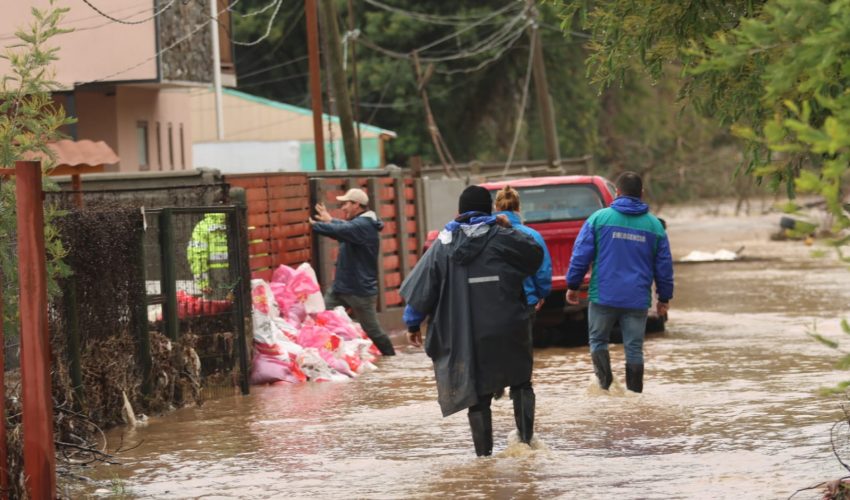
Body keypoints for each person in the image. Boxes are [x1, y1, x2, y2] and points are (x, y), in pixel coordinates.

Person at [400, 185, 543, 457]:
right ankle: (526, 444)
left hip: (466, 331)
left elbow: (422, 288)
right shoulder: (504, 237)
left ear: (459, 212)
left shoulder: (442, 245)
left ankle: (484, 459)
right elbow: (534, 256)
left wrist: (412, 323)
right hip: (510, 327)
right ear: (491, 210)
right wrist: (508, 228)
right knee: (521, 382)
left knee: (477, 393)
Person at [565, 171, 674, 393]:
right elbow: (664, 267)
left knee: (598, 341)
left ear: (617, 192)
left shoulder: (598, 219)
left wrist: (573, 285)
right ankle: (634, 398)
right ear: (641, 194)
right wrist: (664, 298)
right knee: (634, 348)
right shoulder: (655, 226)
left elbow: (580, 255)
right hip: (637, 299)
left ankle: (606, 389)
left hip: (603, 295)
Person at [308, 188, 396, 356]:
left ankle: (391, 358)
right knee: (320, 317)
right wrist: (330, 220)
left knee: (373, 330)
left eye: (346, 204)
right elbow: (345, 227)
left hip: (359, 291)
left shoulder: (363, 225)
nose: (343, 208)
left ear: (357, 205)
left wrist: (314, 225)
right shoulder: (362, 224)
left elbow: (343, 230)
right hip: (342, 288)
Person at [493, 185, 553, 315]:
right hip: (526, 301)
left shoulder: (487, 233)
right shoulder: (532, 235)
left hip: (493, 303)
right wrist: (541, 293)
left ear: (495, 207)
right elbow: (542, 269)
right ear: (518, 208)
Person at [187, 212, 230, 299]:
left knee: (217, 308)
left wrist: (202, 282)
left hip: (214, 280)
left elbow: (197, 256)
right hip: (239, 278)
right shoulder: (238, 223)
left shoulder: (202, 227)